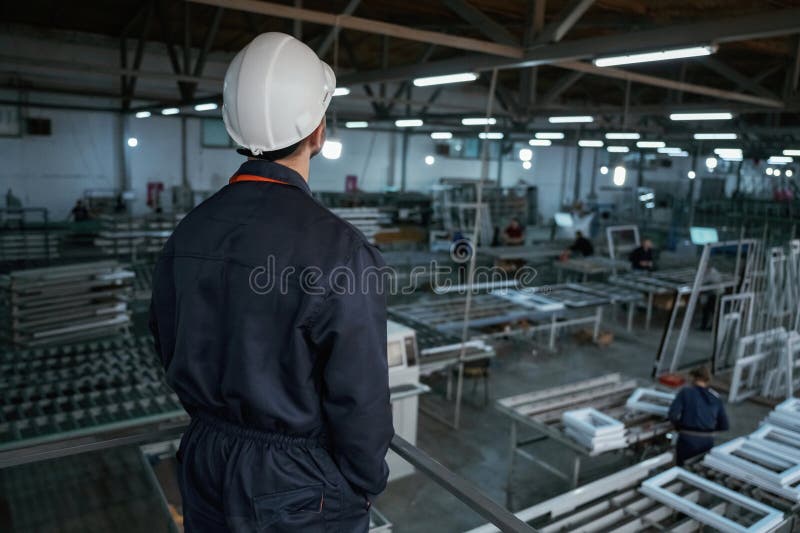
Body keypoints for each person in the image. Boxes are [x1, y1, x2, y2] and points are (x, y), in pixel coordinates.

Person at [149, 33, 393, 532]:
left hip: (205, 459)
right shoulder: (340, 250)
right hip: (296, 483)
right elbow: (361, 396)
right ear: (318, 131)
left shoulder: (189, 231)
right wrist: (360, 486)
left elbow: (164, 339)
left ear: (235, 131)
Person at [668, 366, 729, 465]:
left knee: (681, 469)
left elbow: (673, 415)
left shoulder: (686, 392)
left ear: (693, 377)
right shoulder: (716, 397)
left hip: (687, 439)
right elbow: (724, 425)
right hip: (707, 441)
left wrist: (679, 427)